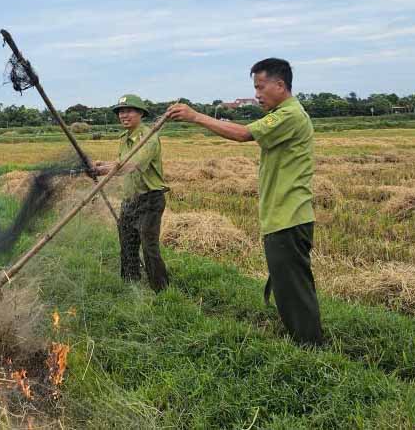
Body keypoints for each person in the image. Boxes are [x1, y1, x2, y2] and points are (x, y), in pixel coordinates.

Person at [166, 58, 323, 345]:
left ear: (280, 84)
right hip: (282, 214)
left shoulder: (289, 115)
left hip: (289, 215)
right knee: (288, 284)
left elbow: (243, 134)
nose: (257, 94)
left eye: (260, 87)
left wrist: (195, 116)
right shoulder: (282, 115)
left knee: (294, 286)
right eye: (255, 88)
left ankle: (309, 346)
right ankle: (299, 335)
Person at [93, 94, 170, 291]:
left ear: (140, 113)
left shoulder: (148, 138)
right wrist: (103, 165)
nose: (123, 115)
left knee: (149, 247)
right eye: (120, 111)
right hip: (130, 200)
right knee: (127, 243)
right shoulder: (125, 138)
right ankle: (129, 284)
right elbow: (121, 164)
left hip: (150, 199)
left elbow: (133, 165)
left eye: (128, 111)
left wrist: (105, 171)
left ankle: (160, 290)